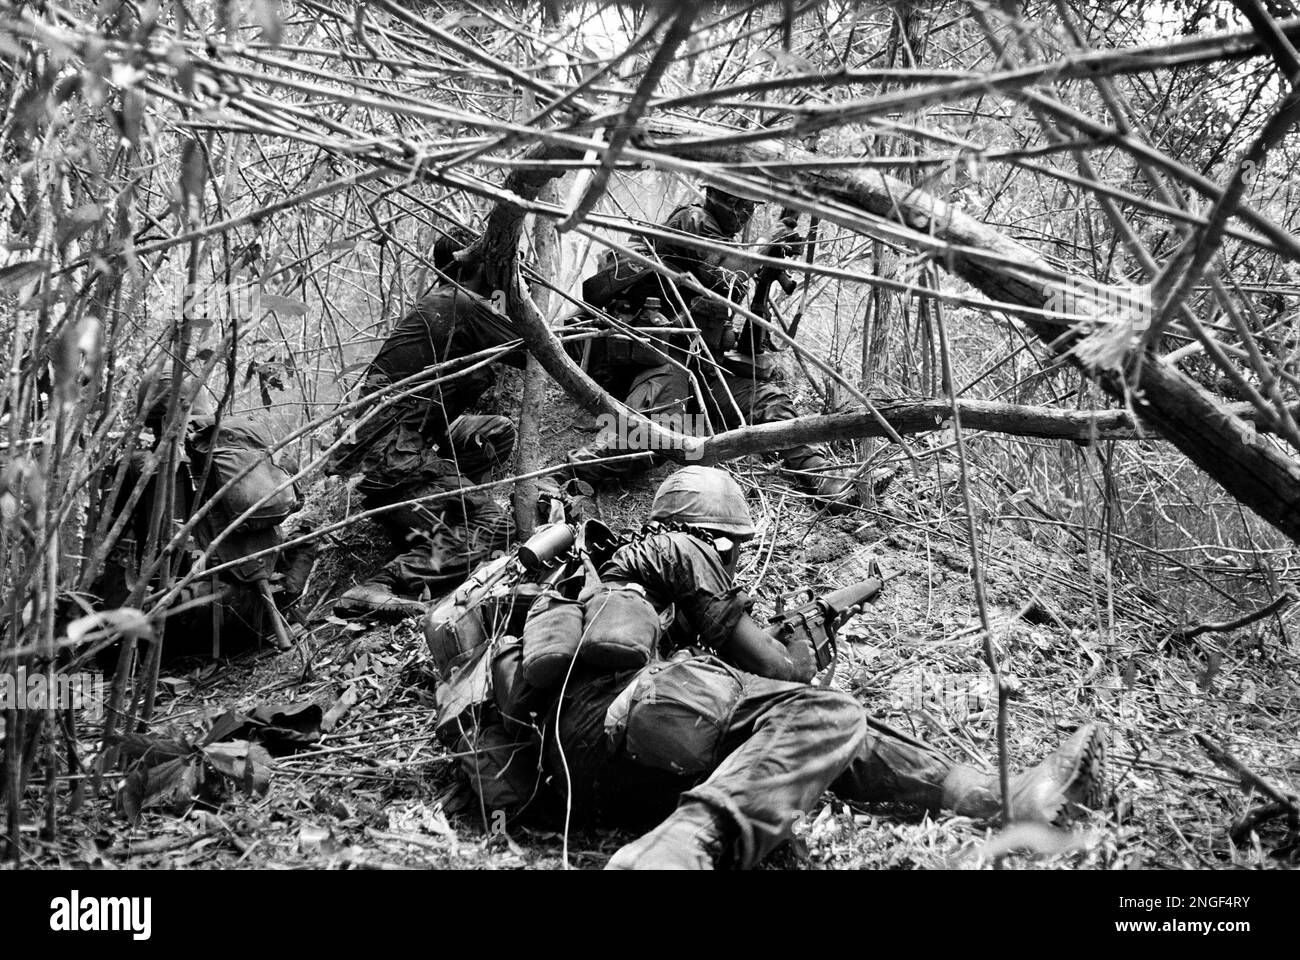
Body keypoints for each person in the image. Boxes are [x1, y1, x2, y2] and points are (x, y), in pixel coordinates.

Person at [492, 466, 1106, 869]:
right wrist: (804, 652)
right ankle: (686, 848)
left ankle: (993, 795)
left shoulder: (618, 572)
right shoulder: (681, 548)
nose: (735, 559)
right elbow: (779, 671)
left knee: (807, 734)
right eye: (734, 545)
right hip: (608, 724)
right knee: (827, 713)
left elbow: (746, 691)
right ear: (712, 535)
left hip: (576, 777)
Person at [565, 186, 855, 506]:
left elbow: (739, 334)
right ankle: (569, 474)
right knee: (653, 438)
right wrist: (765, 243)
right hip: (659, 362)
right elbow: (725, 276)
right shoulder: (692, 220)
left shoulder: (728, 243)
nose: (745, 216)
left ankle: (820, 476)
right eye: (742, 207)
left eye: (751, 210)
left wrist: (766, 280)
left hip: (701, 374)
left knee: (767, 401)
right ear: (723, 198)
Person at [328, 233, 527, 616]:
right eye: (496, 259)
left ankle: (456, 516)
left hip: (404, 442)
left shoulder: (444, 302)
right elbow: (541, 350)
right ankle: (381, 584)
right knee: (499, 527)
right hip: (393, 457)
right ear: (474, 263)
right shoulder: (463, 304)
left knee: (494, 432)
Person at [88, 370, 313, 659]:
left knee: (101, 610)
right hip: (264, 603)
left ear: (151, 416)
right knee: (305, 536)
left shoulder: (139, 467)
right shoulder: (239, 446)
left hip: (191, 614)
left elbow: (111, 544)